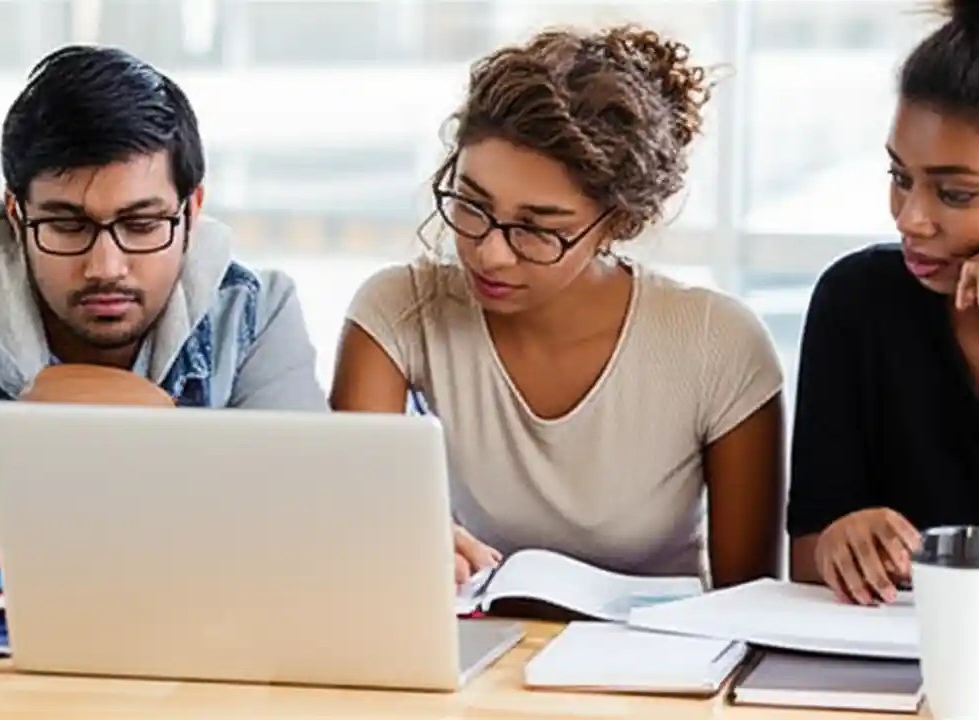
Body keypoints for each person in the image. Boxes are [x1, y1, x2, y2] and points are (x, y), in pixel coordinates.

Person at [0, 46, 327, 560]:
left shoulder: (254, 318)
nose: (105, 266)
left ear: (192, 212)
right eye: (66, 225)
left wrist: (162, 430)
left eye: (141, 225)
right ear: (16, 213)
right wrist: (1, 523)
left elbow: (314, 517)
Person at [331, 25, 786, 588]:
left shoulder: (719, 344)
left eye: (537, 228)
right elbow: (356, 543)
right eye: (472, 204)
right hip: (472, 660)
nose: (490, 253)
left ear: (616, 223)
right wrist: (395, 540)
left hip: (657, 667)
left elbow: (749, 607)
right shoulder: (400, 312)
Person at [788, 0, 979, 643]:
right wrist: (843, 542)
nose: (910, 219)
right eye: (900, 177)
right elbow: (807, 556)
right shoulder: (858, 302)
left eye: (955, 193)